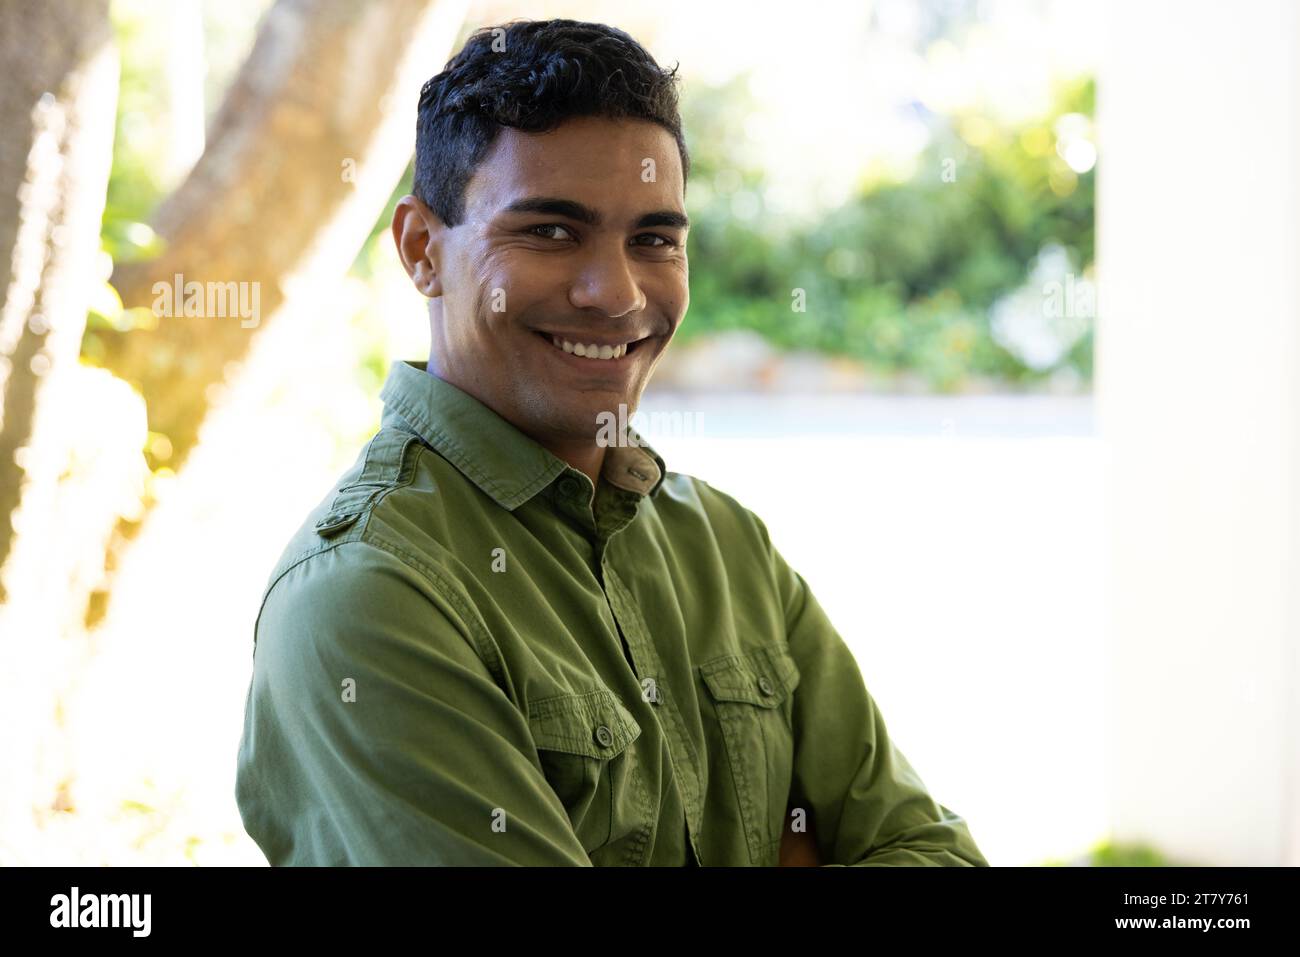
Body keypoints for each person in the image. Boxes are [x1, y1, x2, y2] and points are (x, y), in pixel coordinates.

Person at [234, 17, 988, 867]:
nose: (615, 292)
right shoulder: (370, 597)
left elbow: (934, 851)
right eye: (551, 231)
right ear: (421, 249)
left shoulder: (726, 544)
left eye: (654, 239)